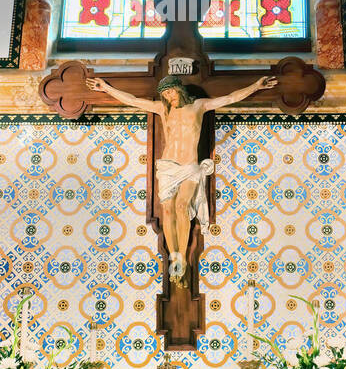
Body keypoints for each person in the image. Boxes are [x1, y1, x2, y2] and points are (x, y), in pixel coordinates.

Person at [86, 72, 277, 285]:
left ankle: (182, 259)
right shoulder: (163, 109)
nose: (168, 96)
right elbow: (133, 100)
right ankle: (173, 256)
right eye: (164, 93)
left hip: (189, 166)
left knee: (181, 207)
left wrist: (256, 86)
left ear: (180, 88)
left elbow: (231, 97)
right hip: (168, 166)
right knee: (167, 210)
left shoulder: (199, 106)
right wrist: (106, 88)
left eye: (170, 90)